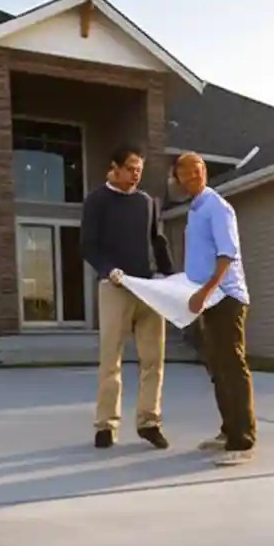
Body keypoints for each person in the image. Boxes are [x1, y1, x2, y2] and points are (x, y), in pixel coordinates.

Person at [81, 144, 175, 450]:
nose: (136, 175)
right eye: (131, 169)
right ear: (115, 168)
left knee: (153, 360)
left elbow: (157, 241)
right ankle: (106, 426)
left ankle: (150, 422)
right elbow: (88, 245)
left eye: (139, 170)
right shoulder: (97, 201)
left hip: (149, 289)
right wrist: (109, 270)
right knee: (111, 359)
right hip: (115, 287)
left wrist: (171, 278)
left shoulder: (146, 202)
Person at [174, 151, 257, 466]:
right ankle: (228, 430)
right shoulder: (195, 209)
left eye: (197, 170)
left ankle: (242, 441)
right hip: (206, 301)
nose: (193, 176)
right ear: (178, 179)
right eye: (186, 173)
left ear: (204, 171)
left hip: (226, 298)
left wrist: (206, 291)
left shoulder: (217, 207)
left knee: (232, 367)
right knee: (217, 368)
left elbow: (227, 254)